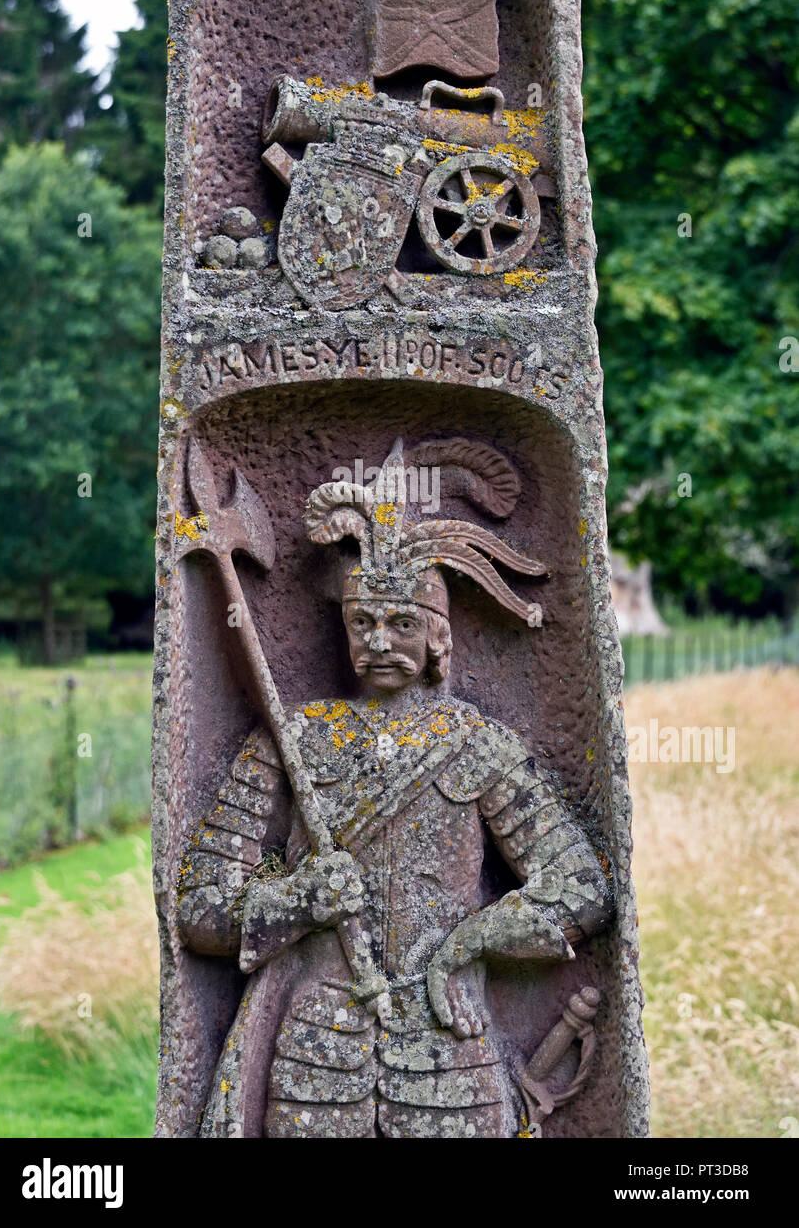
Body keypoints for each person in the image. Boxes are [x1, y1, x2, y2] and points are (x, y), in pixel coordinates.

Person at [177, 440, 612, 1137]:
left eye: (402, 623)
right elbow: (200, 905)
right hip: (315, 1052)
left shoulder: (479, 748)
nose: (379, 640)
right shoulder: (291, 742)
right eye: (362, 622)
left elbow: (580, 889)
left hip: (447, 1049)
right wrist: (296, 900)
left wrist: (468, 942)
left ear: (440, 640)